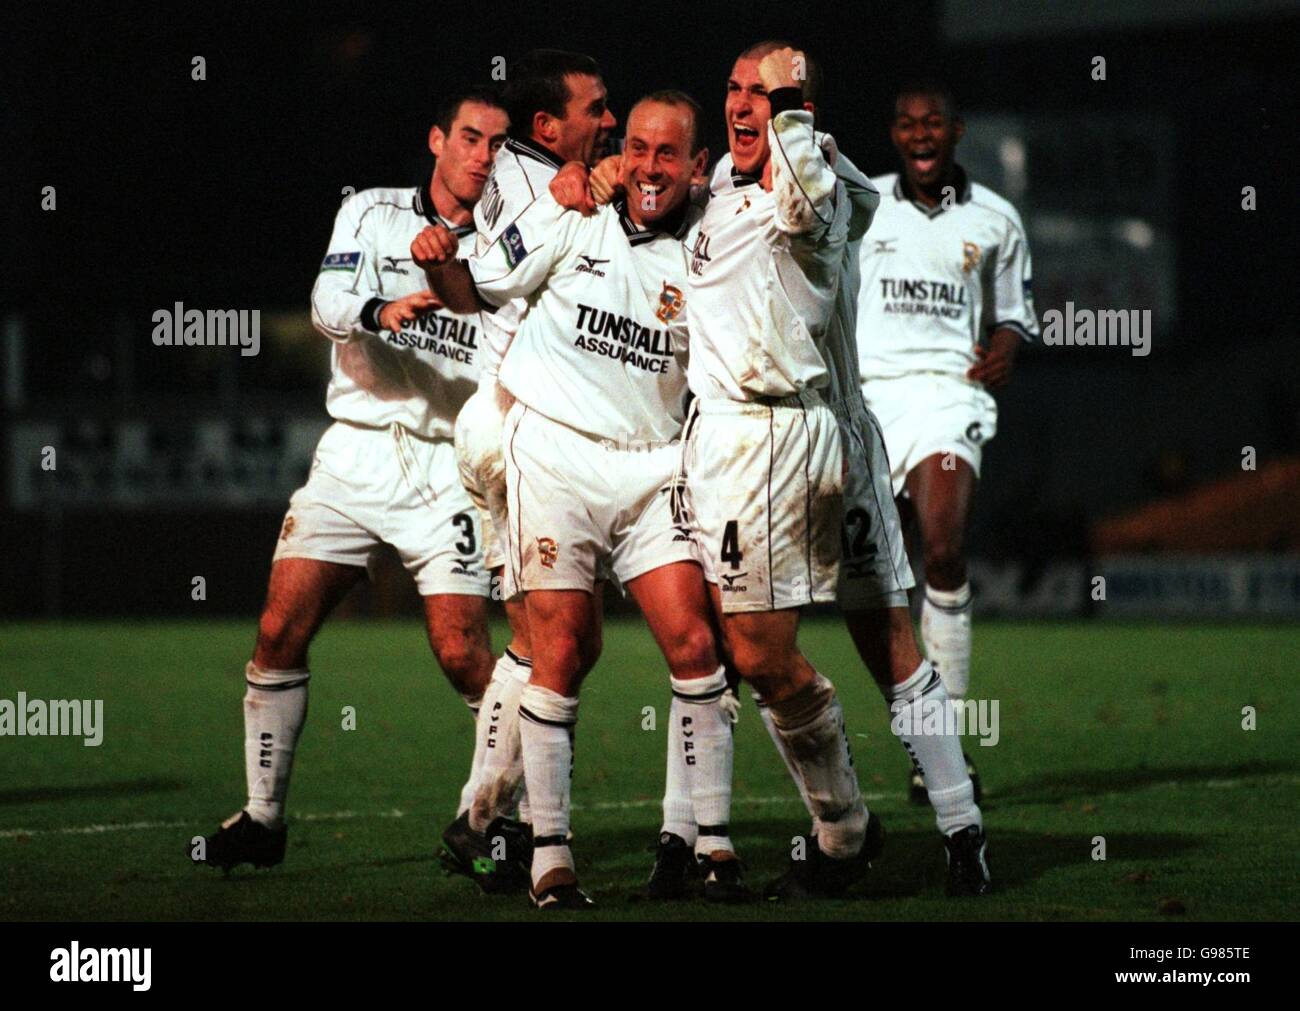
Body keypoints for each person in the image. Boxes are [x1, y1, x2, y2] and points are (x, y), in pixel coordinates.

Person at [419, 91, 752, 910]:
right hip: (555, 456)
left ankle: (713, 847)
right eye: (634, 148)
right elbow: (484, 282)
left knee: (695, 643)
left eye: (666, 153)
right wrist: (441, 259)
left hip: (652, 469)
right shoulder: (575, 211)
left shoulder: (710, 242)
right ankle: (549, 858)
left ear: (695, 165)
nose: (646, 166)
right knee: (560, 648)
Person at [194, 89, 510, 872]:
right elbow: (328, 300)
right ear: (437, 139)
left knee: (465, 654)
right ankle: (264, 818)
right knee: (278, 631)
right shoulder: (370, 212)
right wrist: (381, 308)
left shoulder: (512, 239)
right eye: (469, 137)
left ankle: (516, 816)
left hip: (448, 464)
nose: (482, 155)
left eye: (498, 144)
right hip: (356, 450)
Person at [426, 49, 619, 893]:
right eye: (598, 110)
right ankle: (501, 825)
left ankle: (484, 819)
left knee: (547, 642)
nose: (609, 123)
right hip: (519, 425)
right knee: (560, 647)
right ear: (548, 127)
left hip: (493, 420)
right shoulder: (549, 188)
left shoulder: (510, 167)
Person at [857, 81, 1038, 809]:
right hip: (867, 398)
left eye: (934, 123)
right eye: (908, 124)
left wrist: (1003, 351)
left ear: (956, 130)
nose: (921, 135)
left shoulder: (997, 219)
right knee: (855, 575)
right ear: (895, 134)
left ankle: (947, 743)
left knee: (944, 545)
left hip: (946, 395)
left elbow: (1012, 317)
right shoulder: (862, 203)